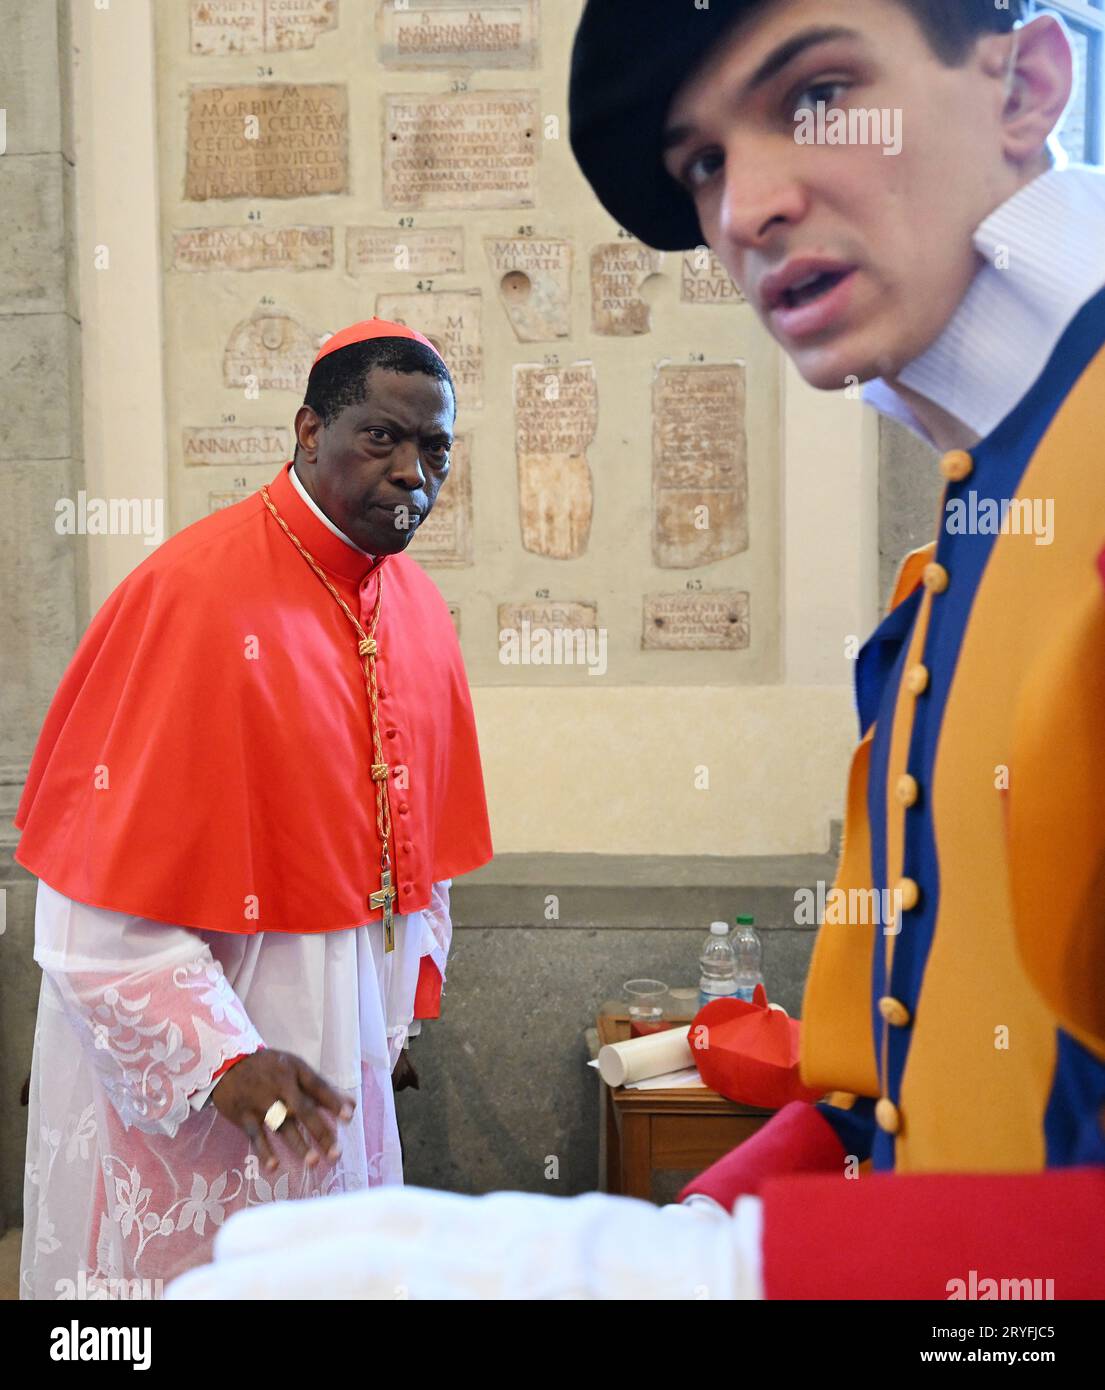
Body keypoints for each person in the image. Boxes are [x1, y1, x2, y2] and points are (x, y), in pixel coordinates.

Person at [168, 0, 1105, 1299]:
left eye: (818, 96)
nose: (748, 206)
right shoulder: (972, 529)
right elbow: (883, 1092)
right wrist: (687, 1238)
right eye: (704, 162)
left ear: (1029, 83)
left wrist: (729, 1272)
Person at [15, 319, 492, 1298]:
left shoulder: (415, 607)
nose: (412, 473)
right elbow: (86, 896)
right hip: (208, 1081)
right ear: (310, 429)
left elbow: (413, 849)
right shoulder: (190, 594)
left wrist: (384, 1011)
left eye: (433, 449)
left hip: (338, 1063)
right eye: (382, 438)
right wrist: (222, 1058)